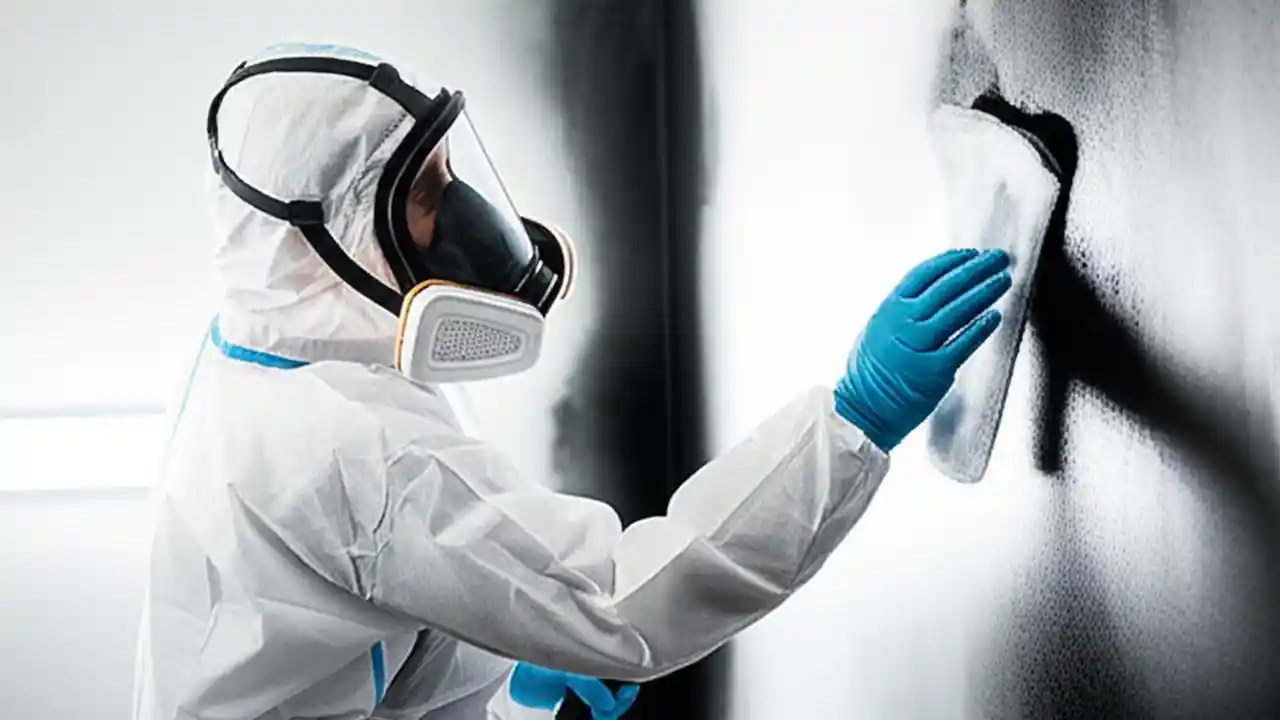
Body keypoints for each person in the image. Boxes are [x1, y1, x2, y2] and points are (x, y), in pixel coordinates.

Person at [133, 43, 1012, 719]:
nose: (468, 218)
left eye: (447, 173)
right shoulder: (349, 450)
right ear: (332, 237)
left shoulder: (262, 345)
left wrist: (504, 666)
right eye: (428, 196)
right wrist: (853, 422)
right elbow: (625, 605)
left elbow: (359, 604)